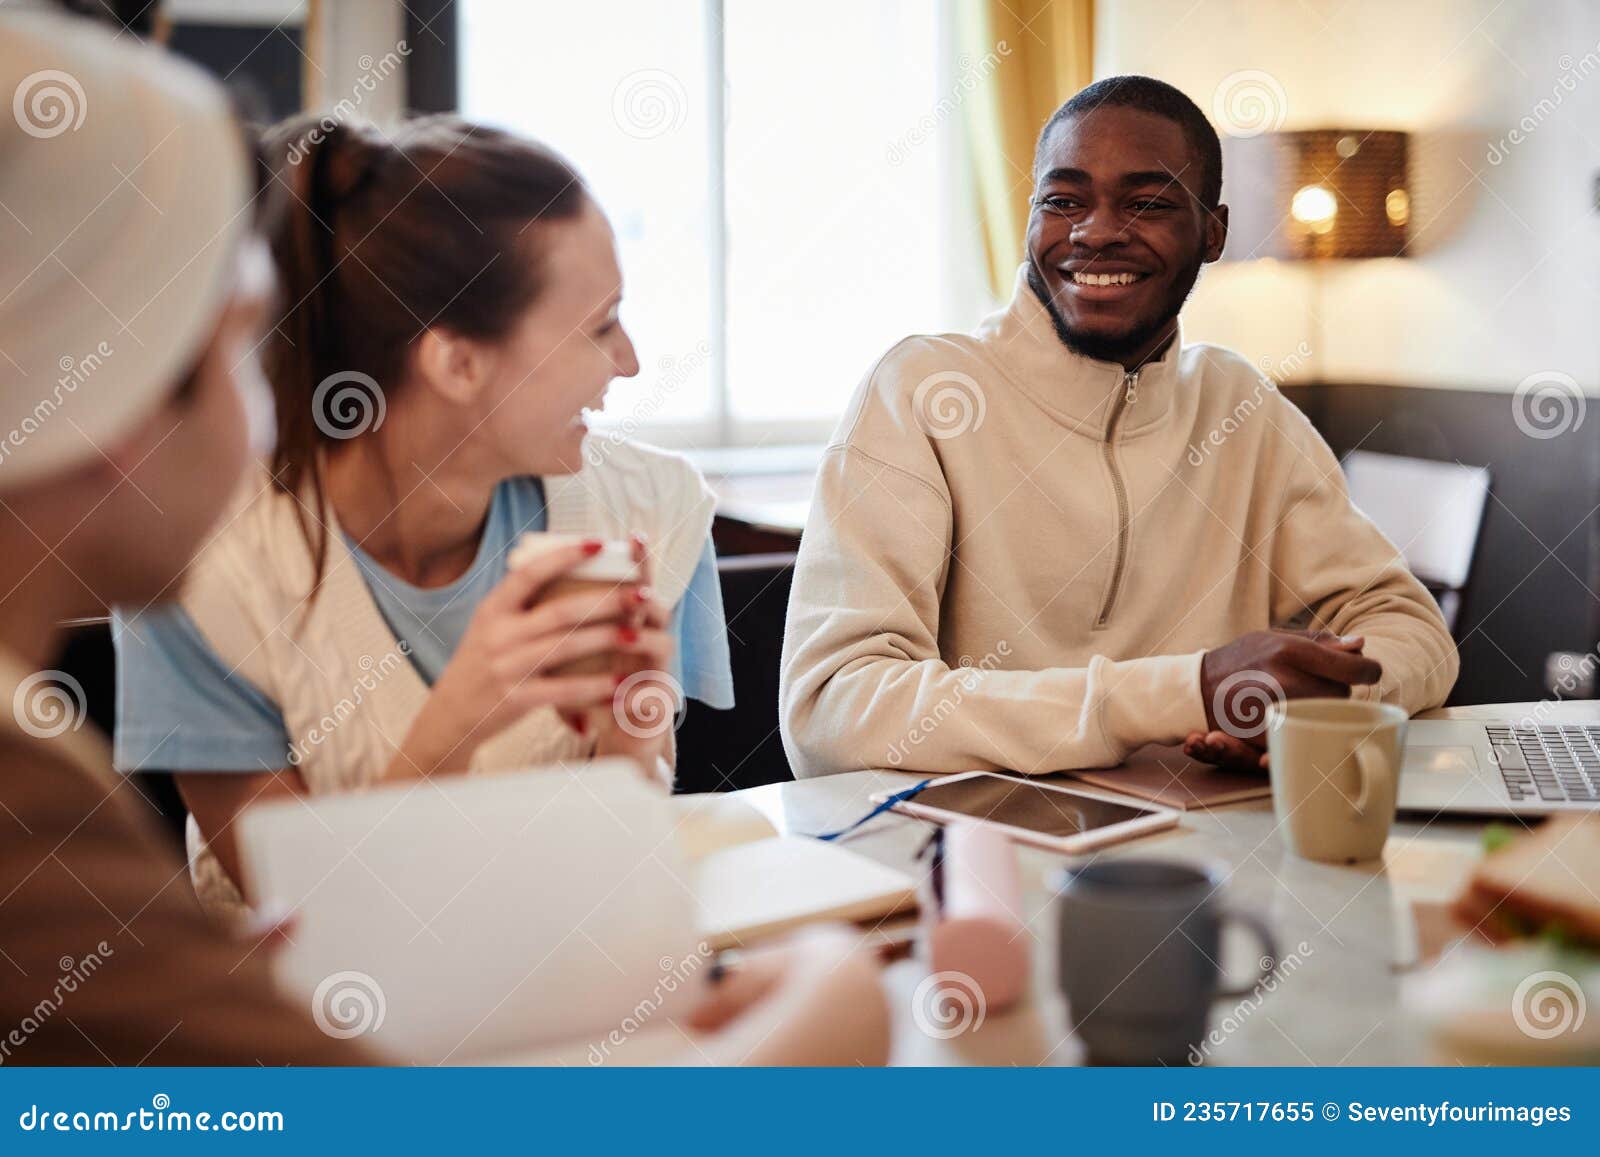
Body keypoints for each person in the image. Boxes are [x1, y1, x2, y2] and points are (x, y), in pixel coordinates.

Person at [0, 8, 886, 1068]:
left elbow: (635, 842)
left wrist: (625, 727)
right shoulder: (65, 756)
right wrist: (835, 994)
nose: (273, 405)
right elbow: (305, 995)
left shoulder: (642, 508)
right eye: (239, 344)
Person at [111, 112, 735, 918]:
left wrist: (631, 729)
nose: (631, 361)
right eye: (601, 325)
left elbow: (637, 867)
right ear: (458, 362)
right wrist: (458, 721)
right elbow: (313, 921)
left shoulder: (648, 512)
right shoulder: (188, 559)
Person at [780, 75, 1458, 779]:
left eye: (1148, 203)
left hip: (1212, 856)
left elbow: (1413, 632)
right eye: (1063, 200)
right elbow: (833, 713)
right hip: (975, 862)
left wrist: (1299, 713)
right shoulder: (922, 390)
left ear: (1213, 232)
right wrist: (1186, 691)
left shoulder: (1240, 407)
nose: (1096, 231)